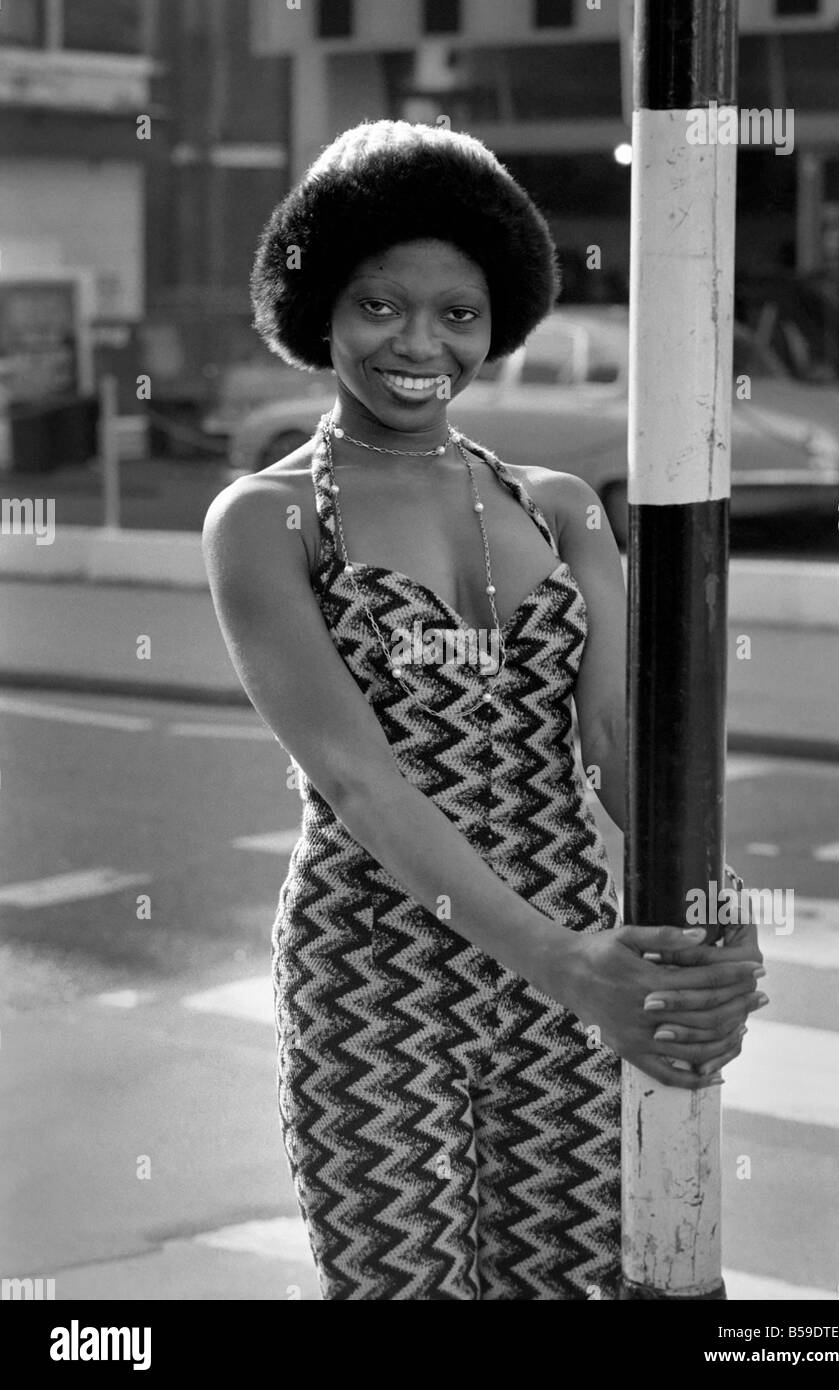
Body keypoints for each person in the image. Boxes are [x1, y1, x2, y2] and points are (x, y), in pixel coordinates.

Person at [202, 120, 765, 1301]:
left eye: (457, 314)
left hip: (570, 961)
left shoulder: (559, 508)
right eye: (378, 305)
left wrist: (710, 912)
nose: (419, 343)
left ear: (496, 320)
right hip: (374, 972)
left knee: (565, 1283)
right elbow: (362, 785)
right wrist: (569, 964)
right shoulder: (266, 521)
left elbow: (617, 744)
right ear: (320, 313)